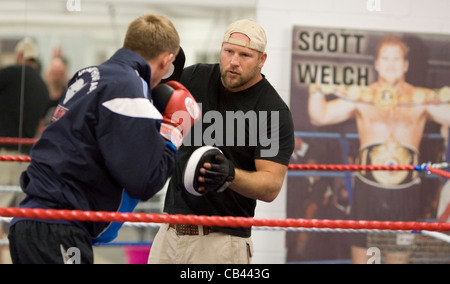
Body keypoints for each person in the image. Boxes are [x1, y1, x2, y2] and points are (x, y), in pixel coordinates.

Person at [8, 13, 200, 264]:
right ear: (166, 60)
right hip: (60, 229)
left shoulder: (89, 75)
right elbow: (146, 181)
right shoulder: (130, 88)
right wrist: (173, 130)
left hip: (29, 223)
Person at [148, 19, 295, 264]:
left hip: (222, 243)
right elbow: (151, 107)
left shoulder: (272, 111)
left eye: (245, 55)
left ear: (262, 59)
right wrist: (159, 76)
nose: (234, 62)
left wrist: (230, 175)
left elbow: (271, 185)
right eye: (229, 52)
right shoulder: (194, 78)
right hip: (170, 233)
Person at [308, 34, 450, 263]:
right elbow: (319, 116)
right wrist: (316, 89)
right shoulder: (362, 97)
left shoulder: (420, 99)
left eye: (396, 59)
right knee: (365, 261)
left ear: (405, 65)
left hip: (406, 193)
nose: (391, 65)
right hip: (367, 192)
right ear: (376, 63)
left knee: (397, 260)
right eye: (385, 59)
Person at [0, 37, 50, 263]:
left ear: (19, 56)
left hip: (4, 155)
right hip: (27, 159)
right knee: (21, 217)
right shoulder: (42, 85)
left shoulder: (9, 73)